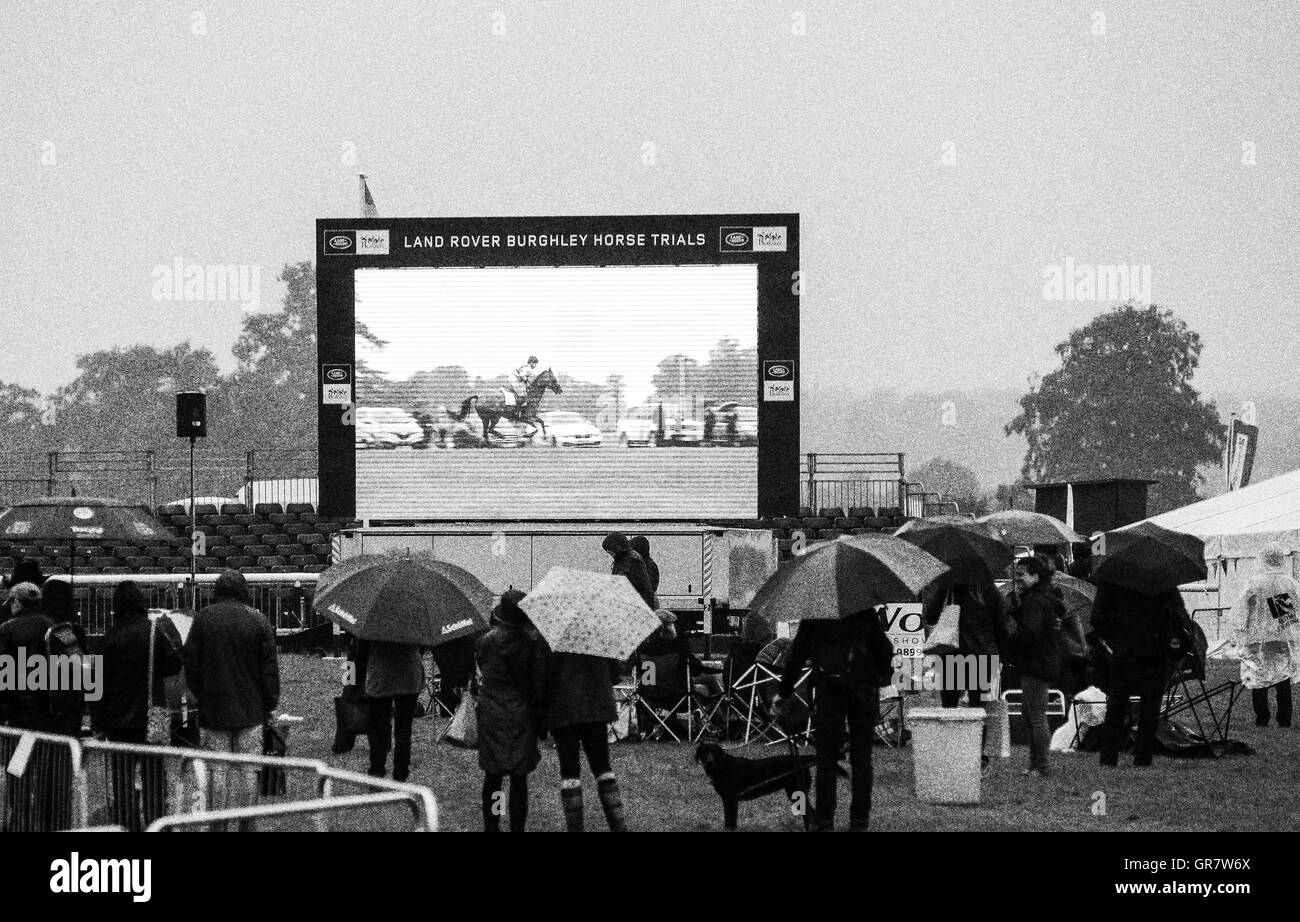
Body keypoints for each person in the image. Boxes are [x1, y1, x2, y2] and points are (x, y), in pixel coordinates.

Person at [775, 607, 894, 831]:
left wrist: (784, 692)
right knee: (862, 759)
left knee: (826, 759)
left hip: (829, 689)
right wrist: (880, 676)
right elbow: (885, 650)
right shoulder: (864, 612)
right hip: (863, 689)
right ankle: (859, 821)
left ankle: (825, 820)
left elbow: (797, 654)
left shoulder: (815, 614)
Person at [183, 569, 280, 825]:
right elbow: (269, 669)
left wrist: (201, 695)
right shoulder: (258, 620)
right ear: (244, 591)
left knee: (218, 773)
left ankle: (219, 824)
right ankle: (248, 824)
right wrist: (269, 704)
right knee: (250, 770)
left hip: (213, 709)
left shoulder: (203, 619)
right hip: (251, 709)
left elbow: (190, 665)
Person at [92, 581, 183, 831]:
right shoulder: (154, 631)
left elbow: (96, 687)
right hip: (151, 719)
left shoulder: (107, 639)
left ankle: (127, 826)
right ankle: (156, 824)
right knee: (154, 779)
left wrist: (97, 724)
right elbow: (174, 665)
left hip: (118, 723)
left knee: (121, 781)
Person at [475, 589, 547, 832]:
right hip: (520, 712)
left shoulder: (487, 641)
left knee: (493, 776)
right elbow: (537, 683)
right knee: (519, 778)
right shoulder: (531, 645)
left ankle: (492, 825)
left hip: (491, 711)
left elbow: (482, 666)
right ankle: (517, 827)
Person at [1091, 582, 1181, 767]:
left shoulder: (1113, 580)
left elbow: (1097, 618)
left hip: (1123, 651)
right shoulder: (1161, 580)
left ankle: (1109, 757)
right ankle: (1143, 756)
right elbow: (1175, 614)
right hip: (1154, 650)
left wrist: (1116, 636)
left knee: (1116, 705)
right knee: (1150, 707)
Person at [923, 576, 1007, 769]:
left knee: (950, 707)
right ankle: (978, 758)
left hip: (954, 655)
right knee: (978, 708)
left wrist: (943, 588)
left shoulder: (949, 588)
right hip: (982, 655)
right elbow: (1001, 624)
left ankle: (952, 754)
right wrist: (1002, 654)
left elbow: (931, 617)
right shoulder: (989, 590)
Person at [545, 642, 627, 832]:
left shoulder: (550, 637)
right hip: (596, 705)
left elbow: (541, 675)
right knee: (603, 768)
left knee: (569, 771)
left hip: (563, 706)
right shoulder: (598, 633)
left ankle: (575, 828)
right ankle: (619, 826)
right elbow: (614, 675)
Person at [1229, 542, 1300, 727]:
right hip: (1282, 638)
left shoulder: (1256, 582)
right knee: (1282, 678)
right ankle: (1284, 719)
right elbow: (1289, 613)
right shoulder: (1289, 582)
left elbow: (1241, 609)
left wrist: (1239, 631)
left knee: (1258, 678)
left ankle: (1262, 718)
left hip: (1257, 638)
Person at [1005, 555, 1063, 777]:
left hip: (1035, 662)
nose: (1018, 578)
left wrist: (1009, 641)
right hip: (1043, 661)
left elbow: (1029, 632)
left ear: (1036, 576)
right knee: (1030, 714)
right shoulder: (1041, 599)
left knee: (1036, 716)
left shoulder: (1034, 601)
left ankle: (1042, 766)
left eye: (1022, 575)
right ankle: (1034, 764)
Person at [358, 637, 424, 780]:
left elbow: (361, 650)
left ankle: (377, 771)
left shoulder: (374, 620)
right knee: (404, 731)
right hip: (409, 675)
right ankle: (401, 774)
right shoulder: (415, 617)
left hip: (380, 675)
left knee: (377, 730)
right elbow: (423, 646)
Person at [603, 531, 657, 609]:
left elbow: (628, 583)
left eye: (611, 552)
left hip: (637, 606)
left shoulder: (631, 560)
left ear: (617, 547)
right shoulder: (622, 559)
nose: (610, 554)